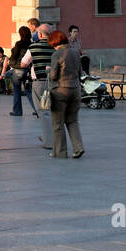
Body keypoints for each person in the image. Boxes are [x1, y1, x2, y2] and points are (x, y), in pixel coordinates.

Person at [44, 30, 84, 158]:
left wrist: (49, 71)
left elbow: (54, 75)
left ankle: (60, 152)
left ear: (56, 42)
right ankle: (78, 148)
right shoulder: (75, 52)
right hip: (75, 90)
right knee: (72, 121)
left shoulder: (57, 54)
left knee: (58, 123)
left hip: (60, 91)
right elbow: (80, 71)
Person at [20, 23, 54, 148]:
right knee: (52, 111)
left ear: (39, 34)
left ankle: (49, 141)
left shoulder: (33, 47)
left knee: (43, 111)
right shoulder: (55, 47)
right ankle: (48, 136)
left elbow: (23, 63)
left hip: (39, 82)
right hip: (54, 82)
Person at [7, 26, 38, 117]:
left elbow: (14, 57)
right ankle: (37, 110)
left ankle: (17, 111)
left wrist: (11, 63)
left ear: (20, 34)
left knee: (17, 91)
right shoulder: (32, 44)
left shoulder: (19, 44)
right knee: (29, 91)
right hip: (27, 70)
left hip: (17, 71)